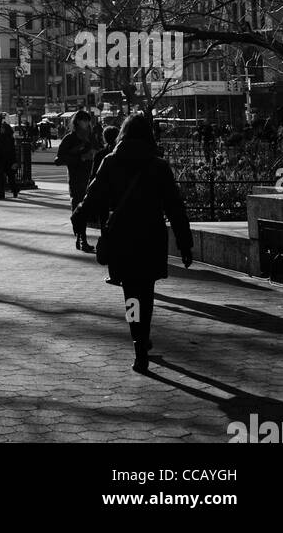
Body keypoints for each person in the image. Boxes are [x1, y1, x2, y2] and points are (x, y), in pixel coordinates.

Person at [72, 111, 193, 374]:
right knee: (146, 291)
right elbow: (175, 207)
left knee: (131, 294)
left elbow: (94, 195)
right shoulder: (158, 166)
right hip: (150, 236)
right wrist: (185, 244)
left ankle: (138, 343)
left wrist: (78, 217)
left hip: (122, 238)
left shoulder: (111, 162)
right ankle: (143, 336)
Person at [56, 109, 98, 251]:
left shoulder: (91, 137)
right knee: (79, 206)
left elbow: (99, 150)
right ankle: (81, 238)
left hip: (90, 175)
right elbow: (58, 159)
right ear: (77, 122)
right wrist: (80, 158)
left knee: (86, 207)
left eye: (88, 120)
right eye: (83, 120)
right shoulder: (70, 138)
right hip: (76, 177)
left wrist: (95, 154)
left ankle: (81, 237)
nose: (86, 123)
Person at [0, 122, 19, 199]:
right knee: (11, 178)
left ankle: (1, 194)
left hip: (1, 160)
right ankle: (15, 190)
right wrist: (14, 161)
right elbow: (13, 150)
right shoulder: (11, 138)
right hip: (9, 160)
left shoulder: (1, 137)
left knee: (0, 178)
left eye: (2, 128)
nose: (1, 129)